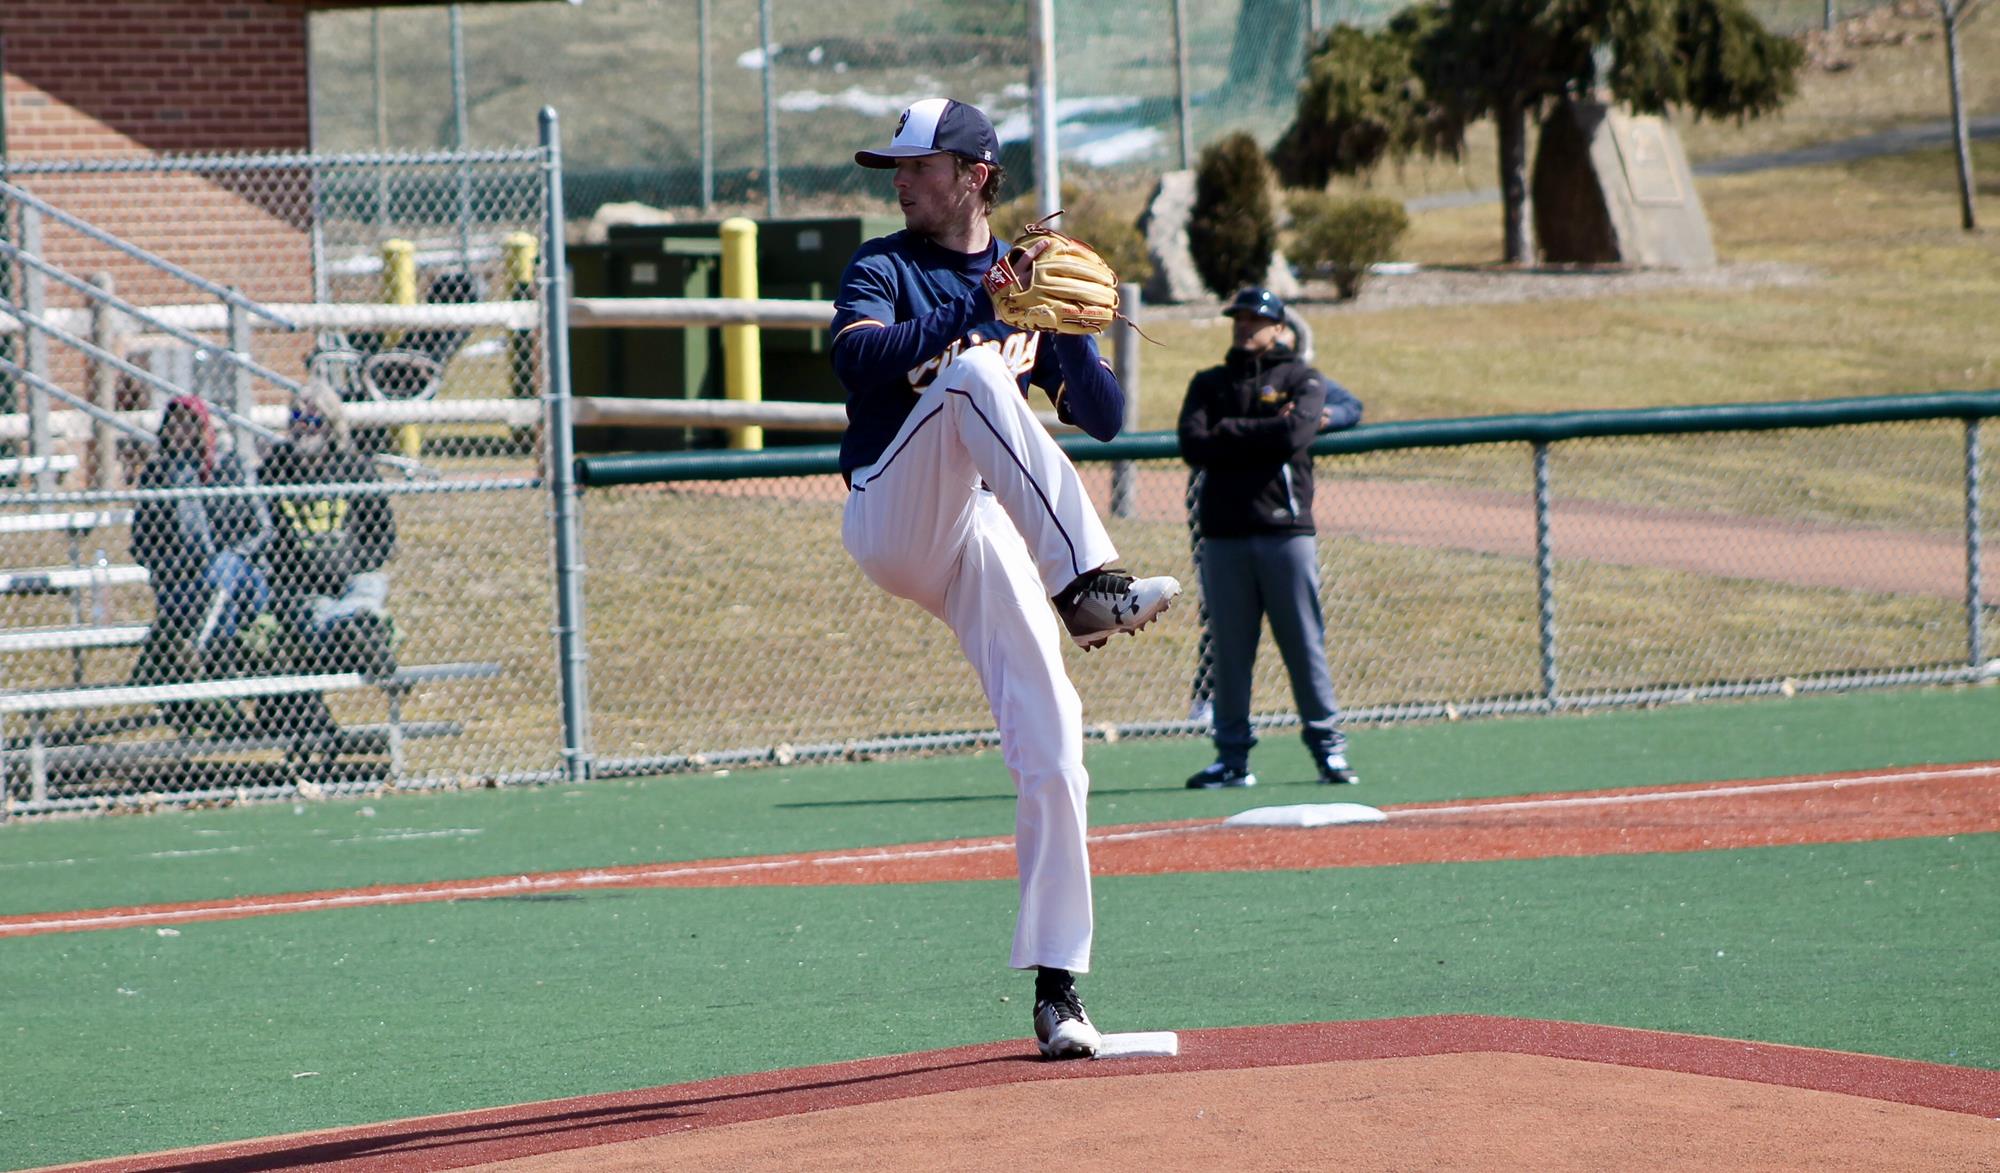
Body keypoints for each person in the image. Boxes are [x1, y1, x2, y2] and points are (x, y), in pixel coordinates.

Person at [832, 97, 1181, 1059]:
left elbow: (1102, 418)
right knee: (978, 376)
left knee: (1056, 739)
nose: (901, 181)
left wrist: (1066, 330)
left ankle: (1058, 991)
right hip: (894, 508)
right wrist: (979, 309)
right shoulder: (883, 267)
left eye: (918, 166)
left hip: (983, 529)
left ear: (974, 176)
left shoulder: (1020, 283)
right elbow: (855, 360)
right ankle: (1088, 586)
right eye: (897, 168)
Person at [1177, 286, 1364, 790]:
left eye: (1256, 319)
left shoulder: (1301, 377)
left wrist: (1229, 432)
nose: (1245, 326)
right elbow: (1193, 442)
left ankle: (1329, 752)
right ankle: (1232, 760)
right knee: (1230, 654)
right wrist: (1260, 430)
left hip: (1286, 532)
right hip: (1223, 535)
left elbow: (1295, 435)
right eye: (1239, 318)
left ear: (1279, 328)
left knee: (1304, 646)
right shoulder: (1210, 382)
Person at [252, 381, 399, 756]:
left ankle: (356, 624)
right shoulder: (274, 472)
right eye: (297, 418)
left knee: (369, 585)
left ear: (332, 424)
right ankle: (357, 631)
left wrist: (351, 564)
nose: (304, 426)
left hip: (351, 581)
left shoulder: (356, 470)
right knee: (319, 613)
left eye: (314, 419)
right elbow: (261, 537)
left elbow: (384, 537)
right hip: (303, 589)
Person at [129, 394, 272, 732]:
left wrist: (234, 555)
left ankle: (196, 653)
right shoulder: (159, 475)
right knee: (218, 595)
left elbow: (263, 529)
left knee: (222, 568)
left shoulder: (231, 469)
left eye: (189, 425)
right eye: (174, 425)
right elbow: (141, 544)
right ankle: (220, 698)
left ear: (203, 430)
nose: (180, 432)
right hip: (183, 585)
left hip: (243, 578)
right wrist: (175, 566)